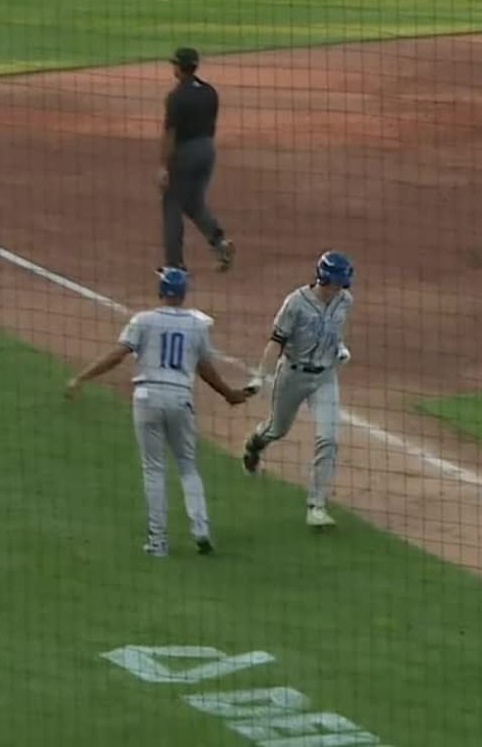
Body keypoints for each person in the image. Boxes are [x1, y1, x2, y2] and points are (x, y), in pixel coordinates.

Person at [67, 267, 249, 556]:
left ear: (160, 291)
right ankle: (200, 528)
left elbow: (117, 355)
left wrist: (82, 377)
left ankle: (158, 542)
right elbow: (206, 369)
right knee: (188, 466)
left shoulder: (143, 320)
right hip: (180, 398)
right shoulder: (196, 325)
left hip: (146, 398)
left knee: (153, 469)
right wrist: (229, 394)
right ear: (184, 293)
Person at [241, 251, 355, 528]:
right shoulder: (296, 303)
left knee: (328, 439)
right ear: (323, 278)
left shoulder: (345, 301)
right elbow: (276, 342)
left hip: (326, 377)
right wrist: (261, 377)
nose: (339, 288)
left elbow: (336, 331)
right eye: (336, 282)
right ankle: (254, 445)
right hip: (292, 375)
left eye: (343, 283)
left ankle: (316, 505)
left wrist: (339, 347)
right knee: (277, 429)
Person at [160, 47, 236, 273]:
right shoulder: (209, 92)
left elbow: (170, 134)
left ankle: (174, 265)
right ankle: (219, 242)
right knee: (193, 202)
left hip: (185, 152)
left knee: (172, 205)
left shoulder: (176, 97)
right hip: (207, 150)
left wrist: (164, 167)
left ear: (179, 68)